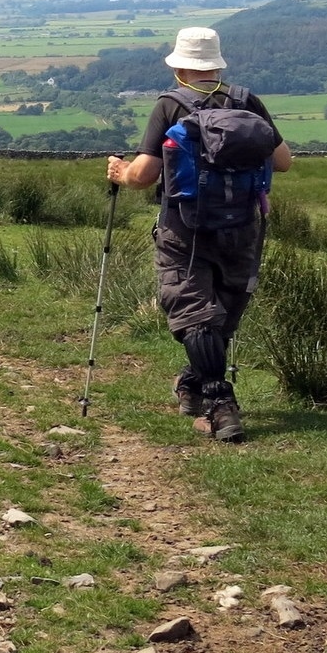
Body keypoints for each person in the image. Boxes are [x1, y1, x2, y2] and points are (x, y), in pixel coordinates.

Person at [105, 27, 292, 443]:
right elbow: (282, 161)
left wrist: (120, 171)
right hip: (243, 228)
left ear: (180, 67)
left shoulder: (171, 105)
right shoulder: (246, 101)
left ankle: (218, 404)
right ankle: (193, 384)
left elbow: (145, 175)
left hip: (184, 230)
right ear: (216, 65)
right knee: (218, 316)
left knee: (194, 314)